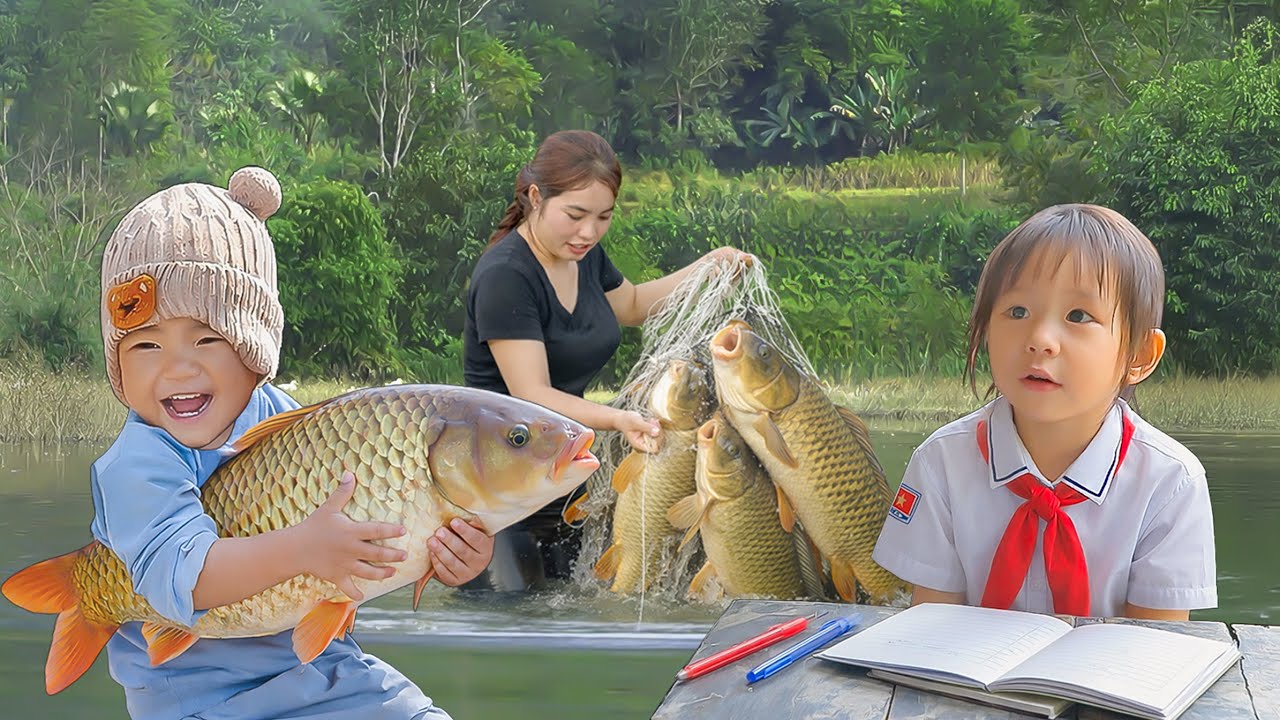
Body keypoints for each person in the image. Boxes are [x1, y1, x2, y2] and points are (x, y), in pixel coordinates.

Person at [91, 167, 493, 719]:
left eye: (207, 339)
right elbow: (191, 580)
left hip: (323, 669)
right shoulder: (135, 465)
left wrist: (450, 557)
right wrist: (305, 548)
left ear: (253, 347)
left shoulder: (298, 424)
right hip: (200, 695)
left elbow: (374, 534)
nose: (177, 370)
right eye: (145, 348)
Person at [872, 203, 1217, 620]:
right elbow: (931, 627)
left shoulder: (1170, 482)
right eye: (1017, 312)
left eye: (1078, 316)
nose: (1040, 340)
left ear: (1140, 355)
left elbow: (1155, 651)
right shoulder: (942, 462)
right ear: (984, 331)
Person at [461, 129, 751, 589]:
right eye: (575, 215)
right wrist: (618, 419)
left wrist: (708, 268)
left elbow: (633, 304)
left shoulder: (584, 256)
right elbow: (530, 394)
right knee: (515, 623)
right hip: (498, 489)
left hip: (564, 474)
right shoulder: (506, 276)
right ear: (536, 197)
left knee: (580, 607)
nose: (589, 232)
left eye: (603, 217)